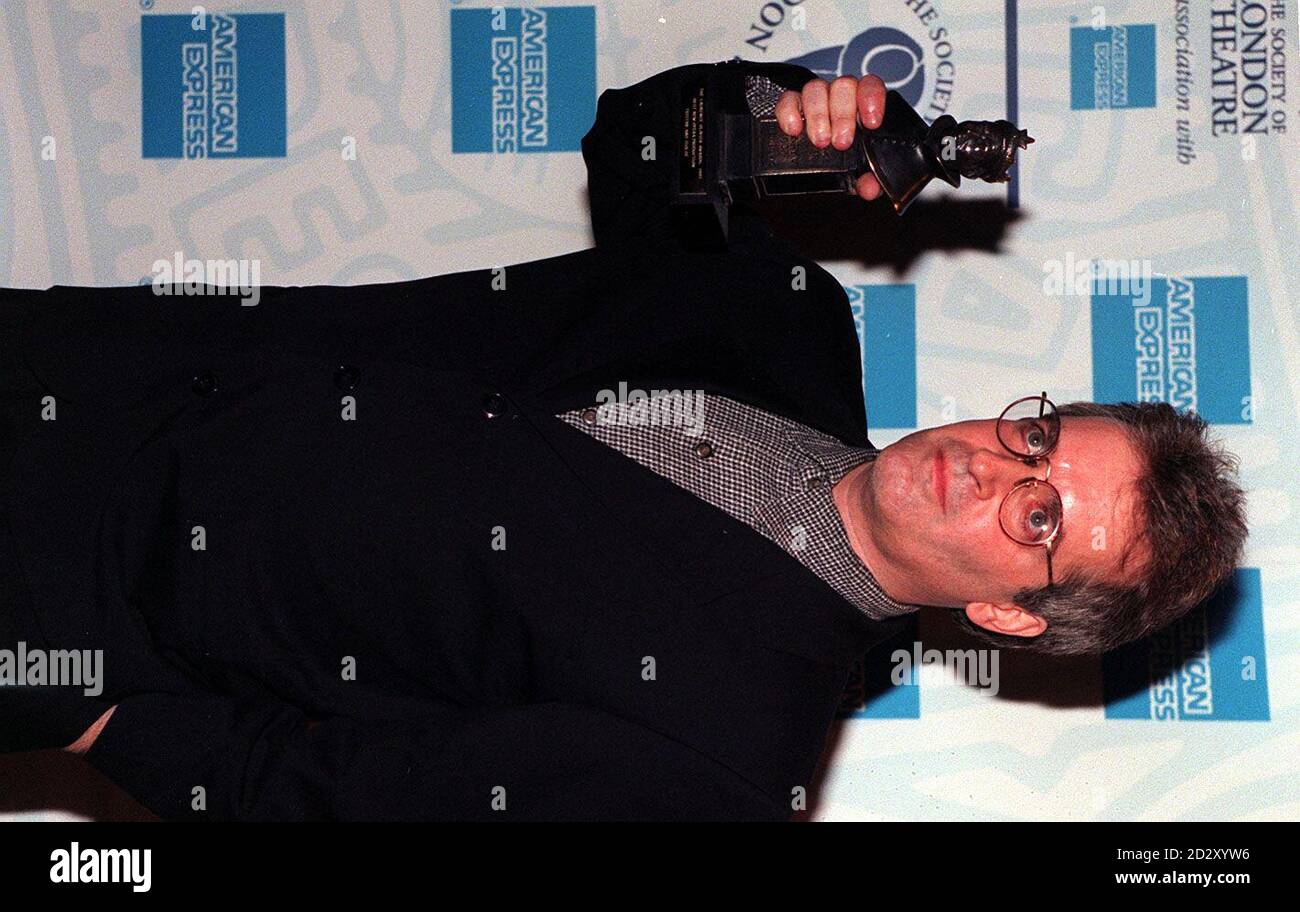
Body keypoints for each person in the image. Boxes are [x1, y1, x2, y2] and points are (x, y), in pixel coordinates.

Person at [0, 59, 1246, 820]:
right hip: (83, 365)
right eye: (1037, 438)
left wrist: (97, 713)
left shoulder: (725, 759)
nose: (989, 464)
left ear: (1011, 615)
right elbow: (637, 143)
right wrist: (773, 116)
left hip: (74, 604)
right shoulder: (790, 324)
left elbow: (334, 802)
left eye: (1036, 515)